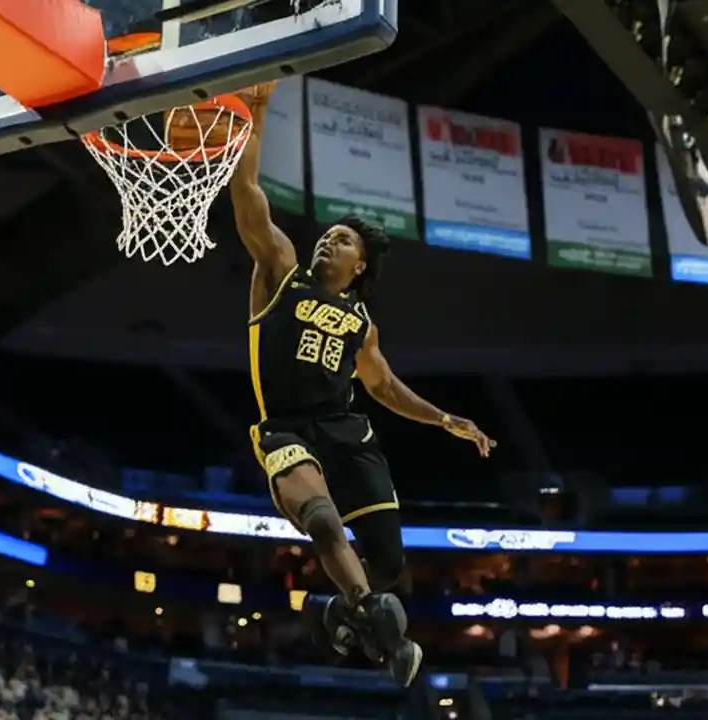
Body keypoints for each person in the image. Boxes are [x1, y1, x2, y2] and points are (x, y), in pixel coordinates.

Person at [227, 82, 496, 687]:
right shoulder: (280, 274)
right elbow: (246, 194)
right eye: (328, 234)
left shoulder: (362, 323)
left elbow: (384, 386)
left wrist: (443, 418)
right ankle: (381, 631)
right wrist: (261, 109)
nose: (329, 239)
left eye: (343, 239)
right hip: (287, 430)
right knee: (323, 522)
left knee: (391, 562)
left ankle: (342, 611)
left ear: (360, 266)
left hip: (349, 433)